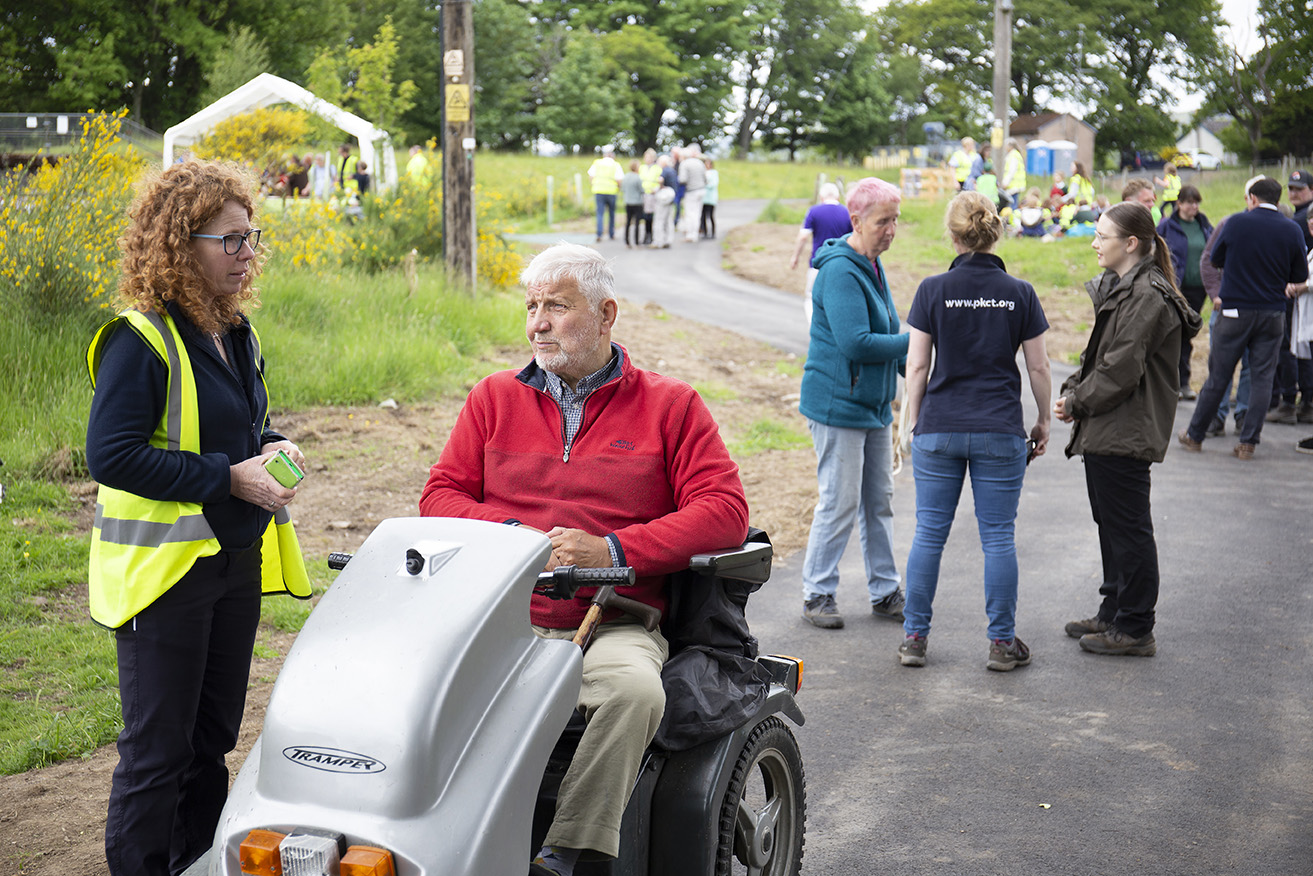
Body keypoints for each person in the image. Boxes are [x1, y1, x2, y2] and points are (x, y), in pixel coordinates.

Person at [419, 243, 749, 876]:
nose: (537, 323)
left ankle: (566, 852)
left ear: (606, 314)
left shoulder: (671, 406)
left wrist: (616, 550)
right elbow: (440, 495)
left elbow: (724, 510)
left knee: (633, 693)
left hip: (614, 620)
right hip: (498, 620)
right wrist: (522, 535)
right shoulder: (492, 398)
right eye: (532, 306)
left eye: (557, 307)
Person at [85, 160, 312, 876]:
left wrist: (269, 446)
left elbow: (239, 427)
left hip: (230, 563)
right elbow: (111, 455)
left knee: (210, 741)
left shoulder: (234, 332)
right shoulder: (140, 338)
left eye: (252, 239)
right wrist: (227, 477)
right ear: (181, 244)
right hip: (165, 575)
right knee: (158, 752)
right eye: (232, 241)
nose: (248, 255)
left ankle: (196, 863)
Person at [898, 192, 1051, 671]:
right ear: (995, 232)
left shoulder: (932, 289)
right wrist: (1043, 419)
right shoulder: (1020, 292)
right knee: (999, 539)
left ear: (953, 234)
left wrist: (909, 423)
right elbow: (1040, 367)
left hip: (940, 428)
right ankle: (1002, 644)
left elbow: (918, 364)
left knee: (928, 535)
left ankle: (914, 639)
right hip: (999, 427)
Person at [1055, 202, 1201, 657]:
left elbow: (1119, 370)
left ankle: (1135, 626)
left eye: (1103, 236)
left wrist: (1076, 400)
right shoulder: (1127, 288)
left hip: (1125, 429)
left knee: (1129, 529)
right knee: (1112, 525)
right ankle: (1114, 610)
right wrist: (1073, 387)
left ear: (1131, 243)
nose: (1095, 243)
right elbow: (1100, 355)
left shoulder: (1146, 295)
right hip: (1109, 427)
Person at [798, 177, 909, 630]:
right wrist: (916, 343)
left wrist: (917, 375)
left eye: (896, 220)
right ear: (857, 220)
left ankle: (885, 590)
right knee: (839, 503)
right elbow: (857, 343)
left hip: (873, 406)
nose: (891, 230)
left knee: (878, 501)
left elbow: (888, 332)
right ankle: (817, 592)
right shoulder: (841, 270)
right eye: (883, 221)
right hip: (838, 406)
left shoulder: (872, 263)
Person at [1178, 177, 1309, 458]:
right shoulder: (1292, 229)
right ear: (1278, 199)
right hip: (1272, 311)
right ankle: (1248, 441)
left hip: (1235, 308)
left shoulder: (1236, 222)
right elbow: (1300, 275)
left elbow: (1215, 258)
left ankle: (1195, 434)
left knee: (1219, 375)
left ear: (1251, 198)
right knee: (1262, 377)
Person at [1156, 184, 1212, 399]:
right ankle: (1171, 382)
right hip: (1175, 289)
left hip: (1198, 289)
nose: (1194, 207)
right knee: (1173, 333)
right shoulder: (1168, 226)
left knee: (1187, 333)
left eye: (1196, 202)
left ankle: (1183, 382)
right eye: (1189, 202)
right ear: (1178, 204)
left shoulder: (1205, 226)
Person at [1269, 169, 1313, 424]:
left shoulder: (1300, 219)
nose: (1294, 192)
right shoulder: (1297, 217)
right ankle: (1302, 400)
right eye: (1291, 188)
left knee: (1293, 346)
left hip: (1298, 295)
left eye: (1300, 188)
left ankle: (1292, 400)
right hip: (1295, 295)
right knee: (1297, 345)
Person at [789, 182, 852, 323]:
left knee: (812, 298)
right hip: (842, 264)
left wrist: (795, 257)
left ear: (821, 197)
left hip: (818, 263)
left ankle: (815, 332)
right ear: (838, 197)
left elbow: (803, 236)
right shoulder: (847, 213)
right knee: (839, 298)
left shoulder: (814, 211)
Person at [588, 144, 624, 243]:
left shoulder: (597, 163)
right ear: (612, 154)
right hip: (611, 192)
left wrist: (593, 185)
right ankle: (611, 234)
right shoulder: (616, 164)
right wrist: (619, 189)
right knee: (611, 214)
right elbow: (619, 179)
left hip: (599, 191)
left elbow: (591, 176)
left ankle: (599, 234)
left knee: (600, 213)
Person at [676, 144, 706, 243]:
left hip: (691, 191)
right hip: (701, 190)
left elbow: (682, 179)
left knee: (689, 214)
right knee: (697, 213)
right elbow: (705, 178)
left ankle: (690, 235)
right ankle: (695, 234)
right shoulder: (700, 163)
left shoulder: (684, 164)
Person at [651, 156, 677, 249]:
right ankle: (668, 240)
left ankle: (658, 241)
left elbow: (660, 181)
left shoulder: (664, 171)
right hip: (671, 199)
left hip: (664, 198)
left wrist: (655, 189)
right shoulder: (673, 171)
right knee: (669, 221)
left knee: (659, 220)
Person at [620, 159, 645, 249]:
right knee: (637, 222)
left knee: (628, 222)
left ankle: (627, 241)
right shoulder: (637, 177)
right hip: (637, 203)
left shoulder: (625, 177)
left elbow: (622, 189)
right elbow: (642, 190)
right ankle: (637, 242)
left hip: (628, 202)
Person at [638, 149, 661, 245]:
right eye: (646, 157)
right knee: (644, 216)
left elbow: (659, 181)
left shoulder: (657, 168)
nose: (647, 159)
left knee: (650, 216)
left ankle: (650, 235)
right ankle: (645, 234)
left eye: (649, 157)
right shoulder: (641, 168)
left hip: (652, 195)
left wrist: (655, 189)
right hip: (643, 194)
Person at [1001, 138, 1027, 209]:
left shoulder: (1013, 156)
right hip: (1016, 185)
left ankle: (1011, 219)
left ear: (1010, 146)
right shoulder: (1016, 155)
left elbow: (1011, 171)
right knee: (1014, 203)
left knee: (1011, 205)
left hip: (1013, 185)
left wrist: (1005, 182)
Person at [699, 158, 719, 239]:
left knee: (710, 216)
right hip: (703, 198)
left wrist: (704, 185)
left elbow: (713, 184)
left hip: (711, 198)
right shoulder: (702, 172)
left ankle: (713, 232)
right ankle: (705, 232)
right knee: (703, 216)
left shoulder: (714, 173)